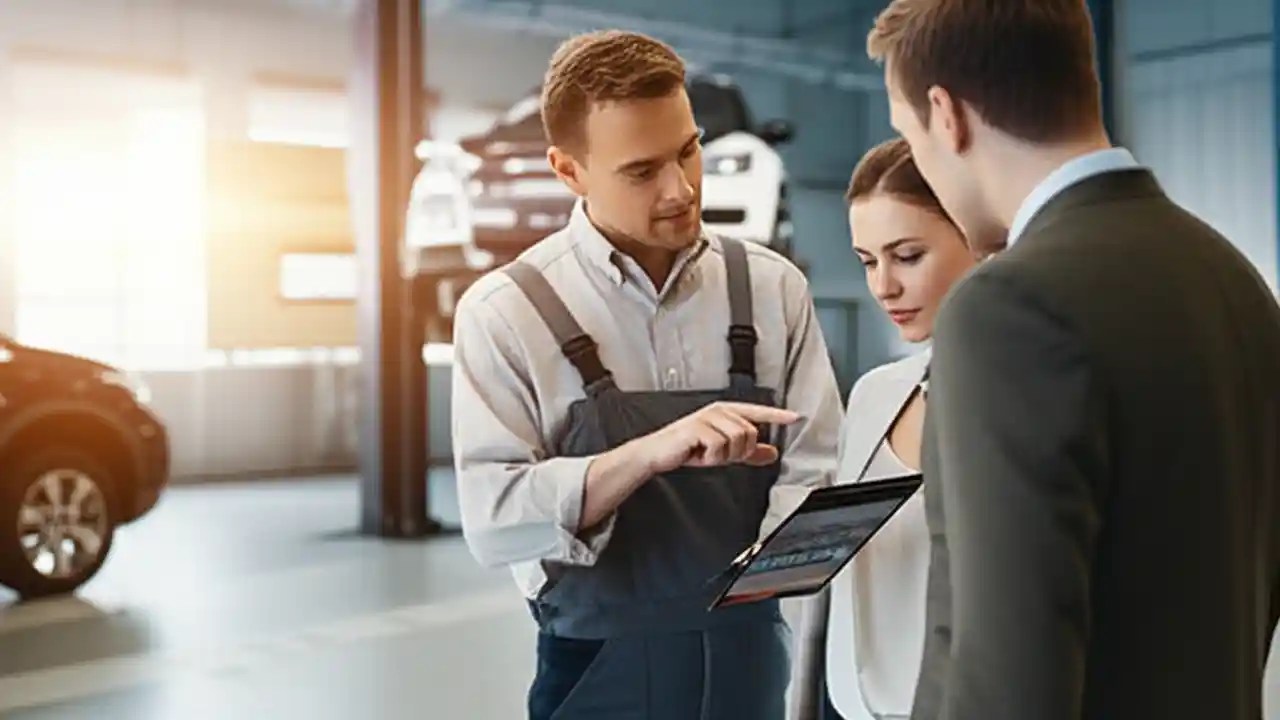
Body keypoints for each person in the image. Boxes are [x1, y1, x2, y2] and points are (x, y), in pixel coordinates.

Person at [863, 1, 1280, 718]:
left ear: (946, 114)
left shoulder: (1007, 309)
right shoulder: (1231, 279)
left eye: (910, 133)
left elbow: (1006, 678)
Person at [450, 30, 844, 720]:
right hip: (595, 672)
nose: (681, 188)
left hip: (749, 661)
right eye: (641, 171)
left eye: (689, 150)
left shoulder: (773, 290)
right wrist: (645, 456)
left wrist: (767, 592)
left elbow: (818, 467)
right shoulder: (506, 313)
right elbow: (495, 520)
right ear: (568, 171)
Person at [789, 138, 979, 720]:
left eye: (908, 255)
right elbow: (832, 590)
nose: (883, 287)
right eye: (868, 261)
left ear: (979, 237)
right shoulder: (875, 395)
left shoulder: (1024, 400)